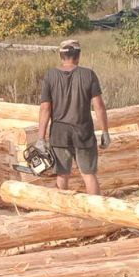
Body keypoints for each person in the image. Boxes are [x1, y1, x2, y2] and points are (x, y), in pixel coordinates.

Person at [37, 39, 111, 195]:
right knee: (88, 174)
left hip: (59, 133)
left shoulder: (50, 76)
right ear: (78, 55)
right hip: (83, 132)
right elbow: (99, 106)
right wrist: (105, 131)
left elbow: (45, 109)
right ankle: (95, 212)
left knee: (62, 175)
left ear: (60, 56)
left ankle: (62, 212)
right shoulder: (88, 75)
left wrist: (40, 139)